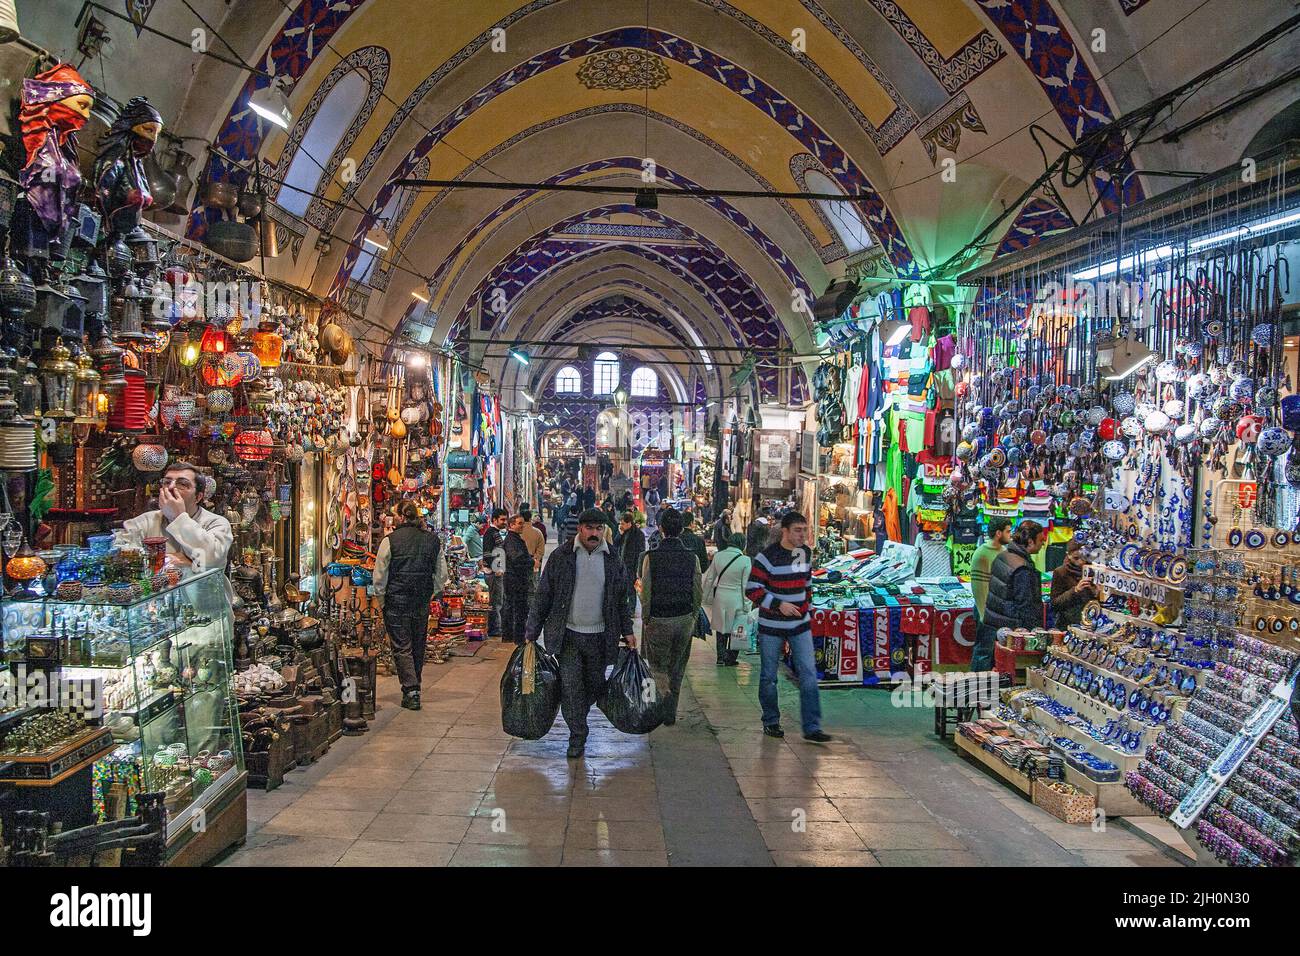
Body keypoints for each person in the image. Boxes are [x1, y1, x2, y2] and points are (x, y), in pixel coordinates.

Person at [525, 509, 636, 758]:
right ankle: (577, 735)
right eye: (590, 528)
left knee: (594, 686)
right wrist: (532, 630)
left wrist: (627, 630)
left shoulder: (613, 558)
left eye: (599, 529)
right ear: (580, 529)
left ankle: (578, 717)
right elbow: (544, 595)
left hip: (600, 637)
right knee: (571, 688)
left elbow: (621, 599)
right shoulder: (561, 557)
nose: (594, 534)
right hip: (569, 637)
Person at [746, 512, 831, 742]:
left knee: (809, 673)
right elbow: (752, 589)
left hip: (800, 624)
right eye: (797, 530)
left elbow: (807, 584)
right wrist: (778, 605)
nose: (802, 534)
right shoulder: (767, 557)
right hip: (772, 626)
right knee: (768, 676)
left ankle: (812, 727)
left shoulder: (805, 553)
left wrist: (806, 607)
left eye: (805, 530)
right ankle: (771, 721)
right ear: (785, 531)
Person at [372, 501, 447, 710]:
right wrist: (431, 593)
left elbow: (379, 575)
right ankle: (415, 686)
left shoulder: (390, 541)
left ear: (400, 517)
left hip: (396, 600)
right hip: (420, 600)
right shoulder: (432, 541)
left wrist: (381, 600)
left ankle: (411, 689)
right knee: (417, 643)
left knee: (402, 645)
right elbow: (442, 574)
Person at [638, 507, 702, 725]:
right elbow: (697, 590)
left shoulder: (651, 557)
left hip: (658, 618)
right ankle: (670, 713)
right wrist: (693, 616)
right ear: (682, 529)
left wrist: (645, 617)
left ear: (661, 528)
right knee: (678, 666)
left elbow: (646, 590)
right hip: (684, 618)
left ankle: (656, 705)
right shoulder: (691, 557)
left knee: (656, 666)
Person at [116, 462, 234, 575]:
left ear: (198, 497)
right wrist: (190, 563)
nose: (171, 487)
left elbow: (212, 560)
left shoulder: (216, 523)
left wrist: (179, 517)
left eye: (182, 484)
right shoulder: (144, 522)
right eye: (167, 482)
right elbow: (120, 558)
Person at [983, 521, 1048, 642]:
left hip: (997, 622)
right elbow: (1025, 605)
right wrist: (1031, 632)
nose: (1043, 543)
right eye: (1041, 540)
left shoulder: (1004, 555)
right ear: (1030, 541)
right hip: (1013, 629)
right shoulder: (1022, 568)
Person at [968, 516, 1012, 672]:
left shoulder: (1004, 552)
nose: (1010, 535)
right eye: (1008, 531)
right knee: (983, 652)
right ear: (999, 533)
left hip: (999, 611)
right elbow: (979, 588)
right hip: (986, 611)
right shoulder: (982, 554)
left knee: (994, 652)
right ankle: (976, 686)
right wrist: (984, 614)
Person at [702, 532, 751, 666]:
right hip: (737, 598)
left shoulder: (718, 556)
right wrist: (747, 605)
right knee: (736, 629)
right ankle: (731, 658)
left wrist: (704, 598)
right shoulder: (745, 560)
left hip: (720, 597)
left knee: (721, 628)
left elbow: (710, 579)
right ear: (742, 544)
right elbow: (745, 585)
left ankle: (720, 657)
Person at [1050, 539, 1098, 629]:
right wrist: (1075, 590)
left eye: (1084, 557)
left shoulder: (1094, 570)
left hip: (1092, 621)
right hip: (1068, 623)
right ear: (1068, 555)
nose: (1080, 562)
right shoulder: (1061, 572)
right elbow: (1054, 604)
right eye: (1076, 558)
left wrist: (1096, 591)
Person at [502, 514, 534, 645]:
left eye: (523, 523)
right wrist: (530, 561)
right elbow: (516, 558)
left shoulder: (514, 539)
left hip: (515, 579)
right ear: (511, 525)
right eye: (519, 523)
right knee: (517, 608)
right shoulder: (511, 540)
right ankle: (517, 637)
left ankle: (511, 636)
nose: (522, 526)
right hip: (515, 580)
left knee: (513, 607)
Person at [481, 508, 508, 639]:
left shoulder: (495, 533)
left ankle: (497, 627)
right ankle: (494, 629)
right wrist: (496, 568)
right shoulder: (490, 533)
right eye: (502, 520)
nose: (504, 522)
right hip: (493, 574)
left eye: (505, 519)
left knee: (497, 601)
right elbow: (487, 554)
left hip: (496, 573)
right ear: (495, 520)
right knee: (495, 602)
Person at [615, 510, 646, 624]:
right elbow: (616, 543)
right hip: (622, 564)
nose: (621, 526)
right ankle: (625, 608)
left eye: (623, 523)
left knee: (631, 589)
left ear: (629, 523)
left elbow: (641, 552)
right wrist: (620, 533)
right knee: (622, 587)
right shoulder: (624, 533)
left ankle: (631, 609)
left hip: (632, 566)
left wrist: (638, 567)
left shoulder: (638, 535)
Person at [518, 506, 545, 575]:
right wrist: (536, 559)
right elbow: (541, 550)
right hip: (533, 563)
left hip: (519, 565)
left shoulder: (516, 532)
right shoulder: (538, 532)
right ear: (530, 518)